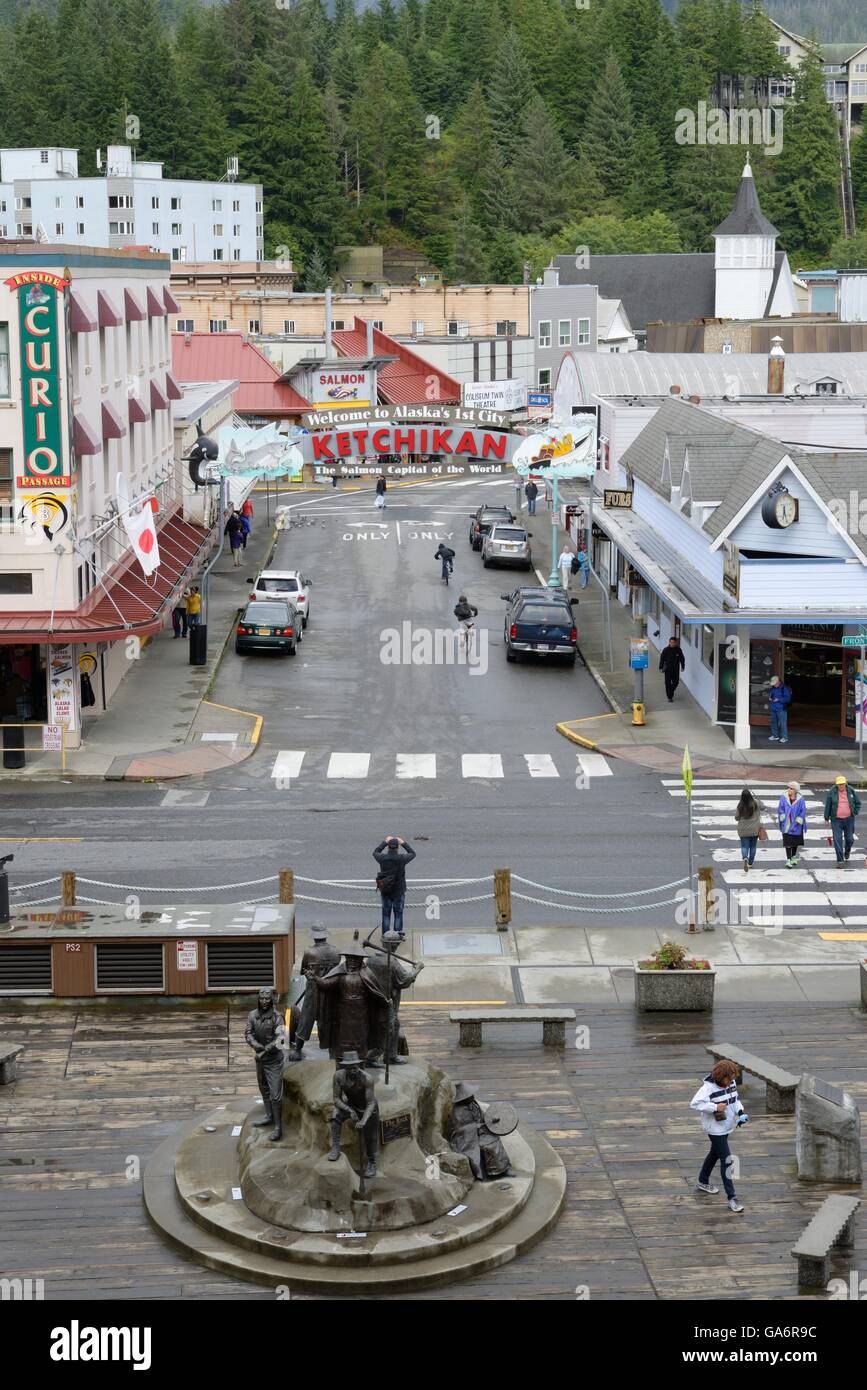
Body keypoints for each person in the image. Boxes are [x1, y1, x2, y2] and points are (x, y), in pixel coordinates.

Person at [690, 1059, 748, 1213]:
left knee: (714, 1154)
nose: (732, 1082)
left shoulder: (731, 1084)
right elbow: (694, 1104)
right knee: (728, 1160)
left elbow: (735, 1101)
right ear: (721, 1077)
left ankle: (702, 1181)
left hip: (727, 1126)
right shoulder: (707, 1088)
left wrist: (741, 1112)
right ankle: (732, 1198)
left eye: (733, 1078)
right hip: (715, 1129)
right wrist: (714, 1106)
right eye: (730, 1078)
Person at [244, 987, 286, 1142]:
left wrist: (268, 1048)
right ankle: (269, 1116)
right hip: (260, 1059)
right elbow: (248, 1033)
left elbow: (281, 1039)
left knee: (276, 1095)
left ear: (271, 1000)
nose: (264, 1001)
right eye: (261, 998)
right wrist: (256, 1045)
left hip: (274, 1060)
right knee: (264, 1088)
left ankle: (278, 1127)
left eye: (267, 998)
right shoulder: (252, 1015)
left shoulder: (277, 1017)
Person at [373, 834, 416, 940]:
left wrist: (384, 842)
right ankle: (398, 936)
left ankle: (385, 936)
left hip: (386, 890)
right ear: (397, 847)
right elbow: (412, 853)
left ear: (388, 847)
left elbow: (375, 852)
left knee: (386, 914)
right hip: (399, 890)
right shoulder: (401, 859)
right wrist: (403, 842)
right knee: (398, 914)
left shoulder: (382, 858)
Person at [824, 774, 861, 865]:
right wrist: (826, 818)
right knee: (837, 840)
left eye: (842, 784)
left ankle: (847, 851)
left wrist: (855, 812)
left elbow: (858, 803)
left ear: (845, 784)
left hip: (849, 819)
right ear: (836, 785)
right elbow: (828, 805)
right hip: (836, 820)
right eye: (839, 784)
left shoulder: (851, 790)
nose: (841, 786)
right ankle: (840, 860)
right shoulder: (832, 792)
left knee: (850, 839)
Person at [778, 779, 807, 868]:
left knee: (795, 842)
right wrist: (782, 817)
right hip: (786, 823)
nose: (789, 790)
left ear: (795, 790)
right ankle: (788, 859)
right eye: (788, 788)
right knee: (787, 842)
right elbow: (780, 808)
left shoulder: (800, 799)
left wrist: (799, 820)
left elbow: (803, 810)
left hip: (796, 825)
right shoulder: (783, 797)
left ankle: (793, 857)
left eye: (791, 788)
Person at [734, 788, 764, 873]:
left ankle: (745, 858)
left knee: (744, 846)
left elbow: (736, 817)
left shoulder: (740, 805)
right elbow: (763, 807)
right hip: (755, 829)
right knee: (753, 846)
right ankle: (750, 863)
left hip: (743, 830)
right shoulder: (755, 803)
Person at [659, 635, 685, 702]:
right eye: (671, 642)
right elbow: (662, 659)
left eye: (674, 642)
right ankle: (669, 697)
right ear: (669, 642)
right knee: (667, 683)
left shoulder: (678, 650)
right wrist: (660, 667)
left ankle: (671, 691)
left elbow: (682, 658)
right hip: (667, 669)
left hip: (675, 669)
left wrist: (682, 666)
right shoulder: (665, 650)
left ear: (676, 643)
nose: (673, 644)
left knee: (676, 682)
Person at [768, 674, 792, 744]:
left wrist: (778, 699)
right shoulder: (773, 688)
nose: (774, 685)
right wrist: (770, 698)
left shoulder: (784, 688)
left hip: (781, 709)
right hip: (773, 708)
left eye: (774, 684)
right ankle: (775, 736)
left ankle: (785, 737)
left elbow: (788, 699)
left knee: (782, 724)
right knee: (773, 723)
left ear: (778, 682)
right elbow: (771, 695)